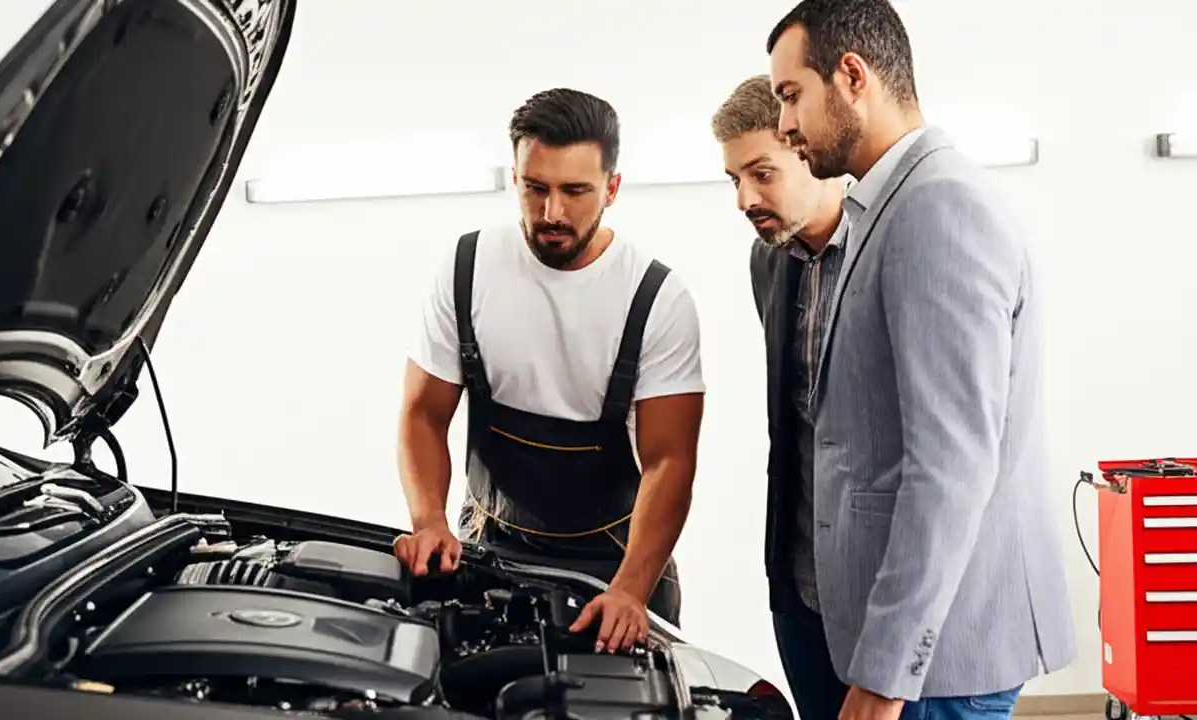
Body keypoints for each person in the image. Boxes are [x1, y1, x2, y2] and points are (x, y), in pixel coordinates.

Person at [764, 1, 1078, 719]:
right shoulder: (885, 208)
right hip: (900, 641)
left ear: (851, 76)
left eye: (791, 96)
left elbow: (952, 465)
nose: (784, 125)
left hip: (937, 662)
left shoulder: (938, 209)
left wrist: (883, 676)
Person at [393, 87, 706, 653]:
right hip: (490, 541)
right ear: (514, 177)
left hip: (618, 562)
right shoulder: (468, 270)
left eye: (574, 191)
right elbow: (422, 413)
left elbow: (670, 460)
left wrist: (632, 590)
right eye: (535, 188)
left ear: (612, 187)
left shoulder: (656, 299)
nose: (551, 213)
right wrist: (428, 520)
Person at [710, 75, 851, 720]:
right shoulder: (767, 261)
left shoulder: (890, 248)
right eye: (735, 179)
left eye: (761, 173)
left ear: (807, 147)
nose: (745, 197)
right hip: (799, 587)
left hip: (883, 589)